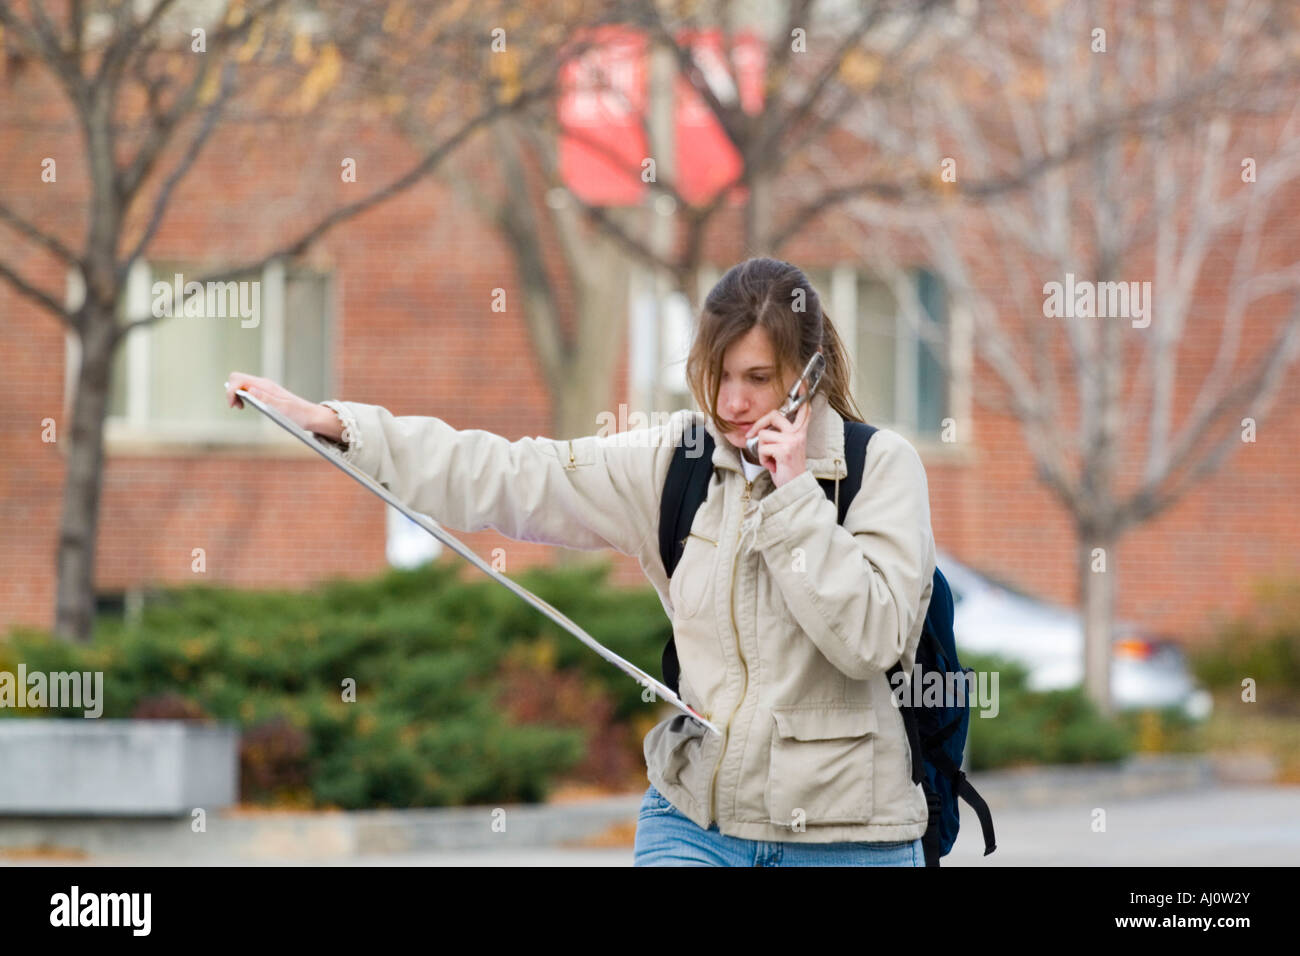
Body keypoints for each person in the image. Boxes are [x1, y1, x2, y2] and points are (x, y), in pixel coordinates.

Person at [226, 256, 937, 867]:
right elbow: (510, 473)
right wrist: (342, 427)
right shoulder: (679, 462)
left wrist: (792, 500)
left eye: (757, 378)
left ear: (806, 377)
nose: (731, 402)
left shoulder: (880, 470)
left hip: (849, 837)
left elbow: (869, 641)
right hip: (698, 826)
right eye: (719, 376)